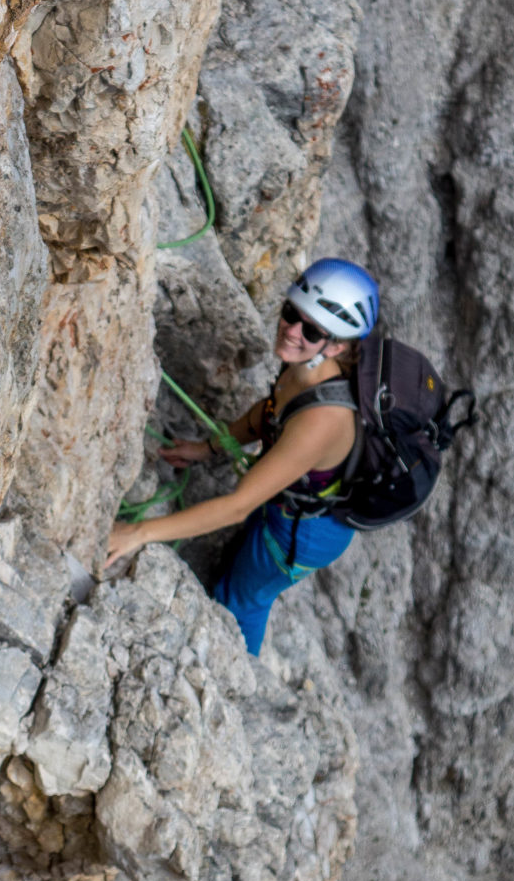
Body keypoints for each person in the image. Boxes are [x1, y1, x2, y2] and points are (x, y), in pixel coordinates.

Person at [103, 259, 379, 656]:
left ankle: (238, 671)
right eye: (290, 314)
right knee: (243, 554)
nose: (291, 330)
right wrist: (207, 448)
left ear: (336, 346)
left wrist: (139, 533)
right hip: (291, 501)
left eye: (312, 329)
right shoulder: (308, 368)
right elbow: (269, 411)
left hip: (303, 534)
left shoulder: (323, 420)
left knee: (240, 598)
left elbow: (236, 507)